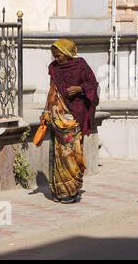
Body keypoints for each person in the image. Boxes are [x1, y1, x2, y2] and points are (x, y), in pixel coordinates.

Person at [42, 39, 100, 203]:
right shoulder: (54, 69)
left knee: (72, 154)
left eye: (59, 55)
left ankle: (73, 188)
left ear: (68, 54)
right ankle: (61, 191)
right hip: (58, 118)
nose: (56, 59)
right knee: (59, 155)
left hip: (75, 117)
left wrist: (80, 89)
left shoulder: (81, 65)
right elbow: (52, 90)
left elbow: (93, 85)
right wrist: (47, 111)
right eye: (54, 56)